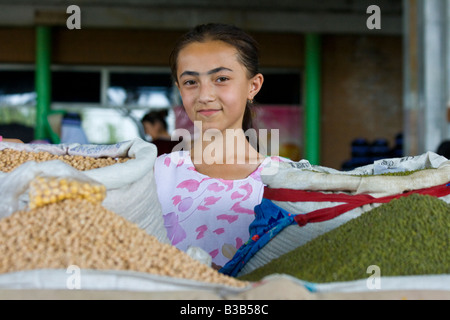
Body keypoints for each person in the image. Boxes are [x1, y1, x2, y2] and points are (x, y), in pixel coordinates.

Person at [153, 23, 290, 270]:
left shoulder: (288, 179)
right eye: (191, 82)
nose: (205, 95)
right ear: (179, 89)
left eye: (221, 79)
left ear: (253, 86)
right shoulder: (159, 173)